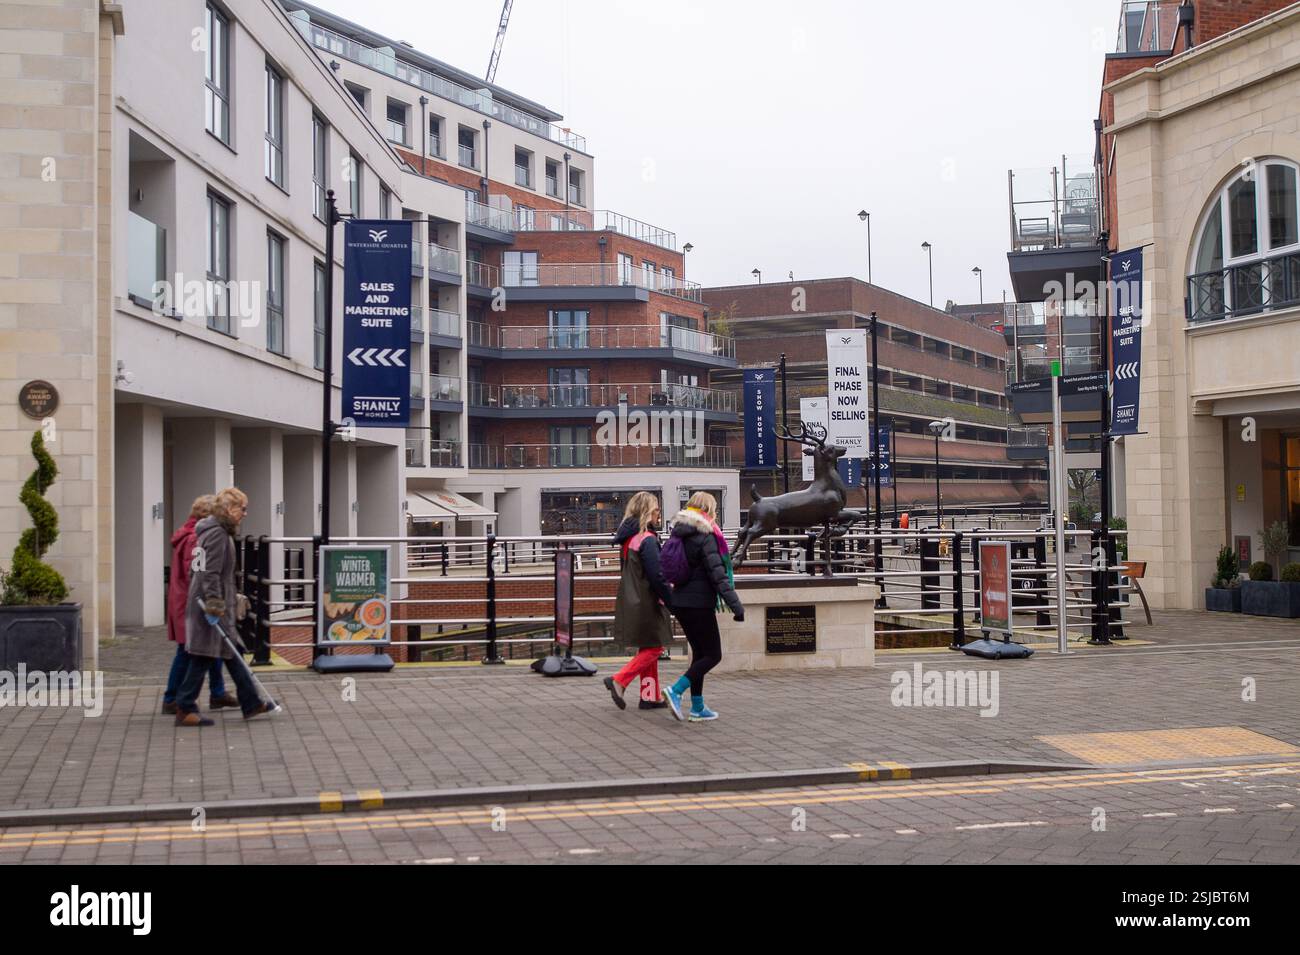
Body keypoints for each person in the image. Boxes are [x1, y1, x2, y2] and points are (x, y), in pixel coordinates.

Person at [177, 487, 277, 726]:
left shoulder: (210, 532)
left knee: (231, 653)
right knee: (204, 655)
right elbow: (209, 572)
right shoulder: (218, 535)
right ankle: (185, 705)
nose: (244, 513)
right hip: (212, 606)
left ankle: (251, 701)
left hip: (209, 603)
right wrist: (214, 603)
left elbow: (198, 569)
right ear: (229, 509)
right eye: (242, 509)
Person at [662, 492, 743, 722]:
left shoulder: (678, 533)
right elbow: (718, 575)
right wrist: (736, 606)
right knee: (713, 655)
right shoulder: (706, 535)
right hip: (699, 604)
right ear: (709, 510)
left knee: (699, 654)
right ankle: (676, 690)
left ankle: (697, 707)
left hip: (679, 602)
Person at [162, 495, 237, 714]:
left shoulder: (188, 535)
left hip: (185, 598)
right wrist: (211, 598)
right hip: (194, 602)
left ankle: (217, 691)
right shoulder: (197, 538)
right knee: (190, 651)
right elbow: (198, 572)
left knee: (208, 648)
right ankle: (174, 698)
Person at [603, 492, 672, 711]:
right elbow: (657, 575)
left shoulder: (629, 538)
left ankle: (649, 696)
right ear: (647, 511)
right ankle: (620, 680)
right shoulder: (647, 539)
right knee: (656, 647)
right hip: (648, 600)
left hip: (631, 598)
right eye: (656, 510)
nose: (658, 514)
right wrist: (672, 600)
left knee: (648, 645)